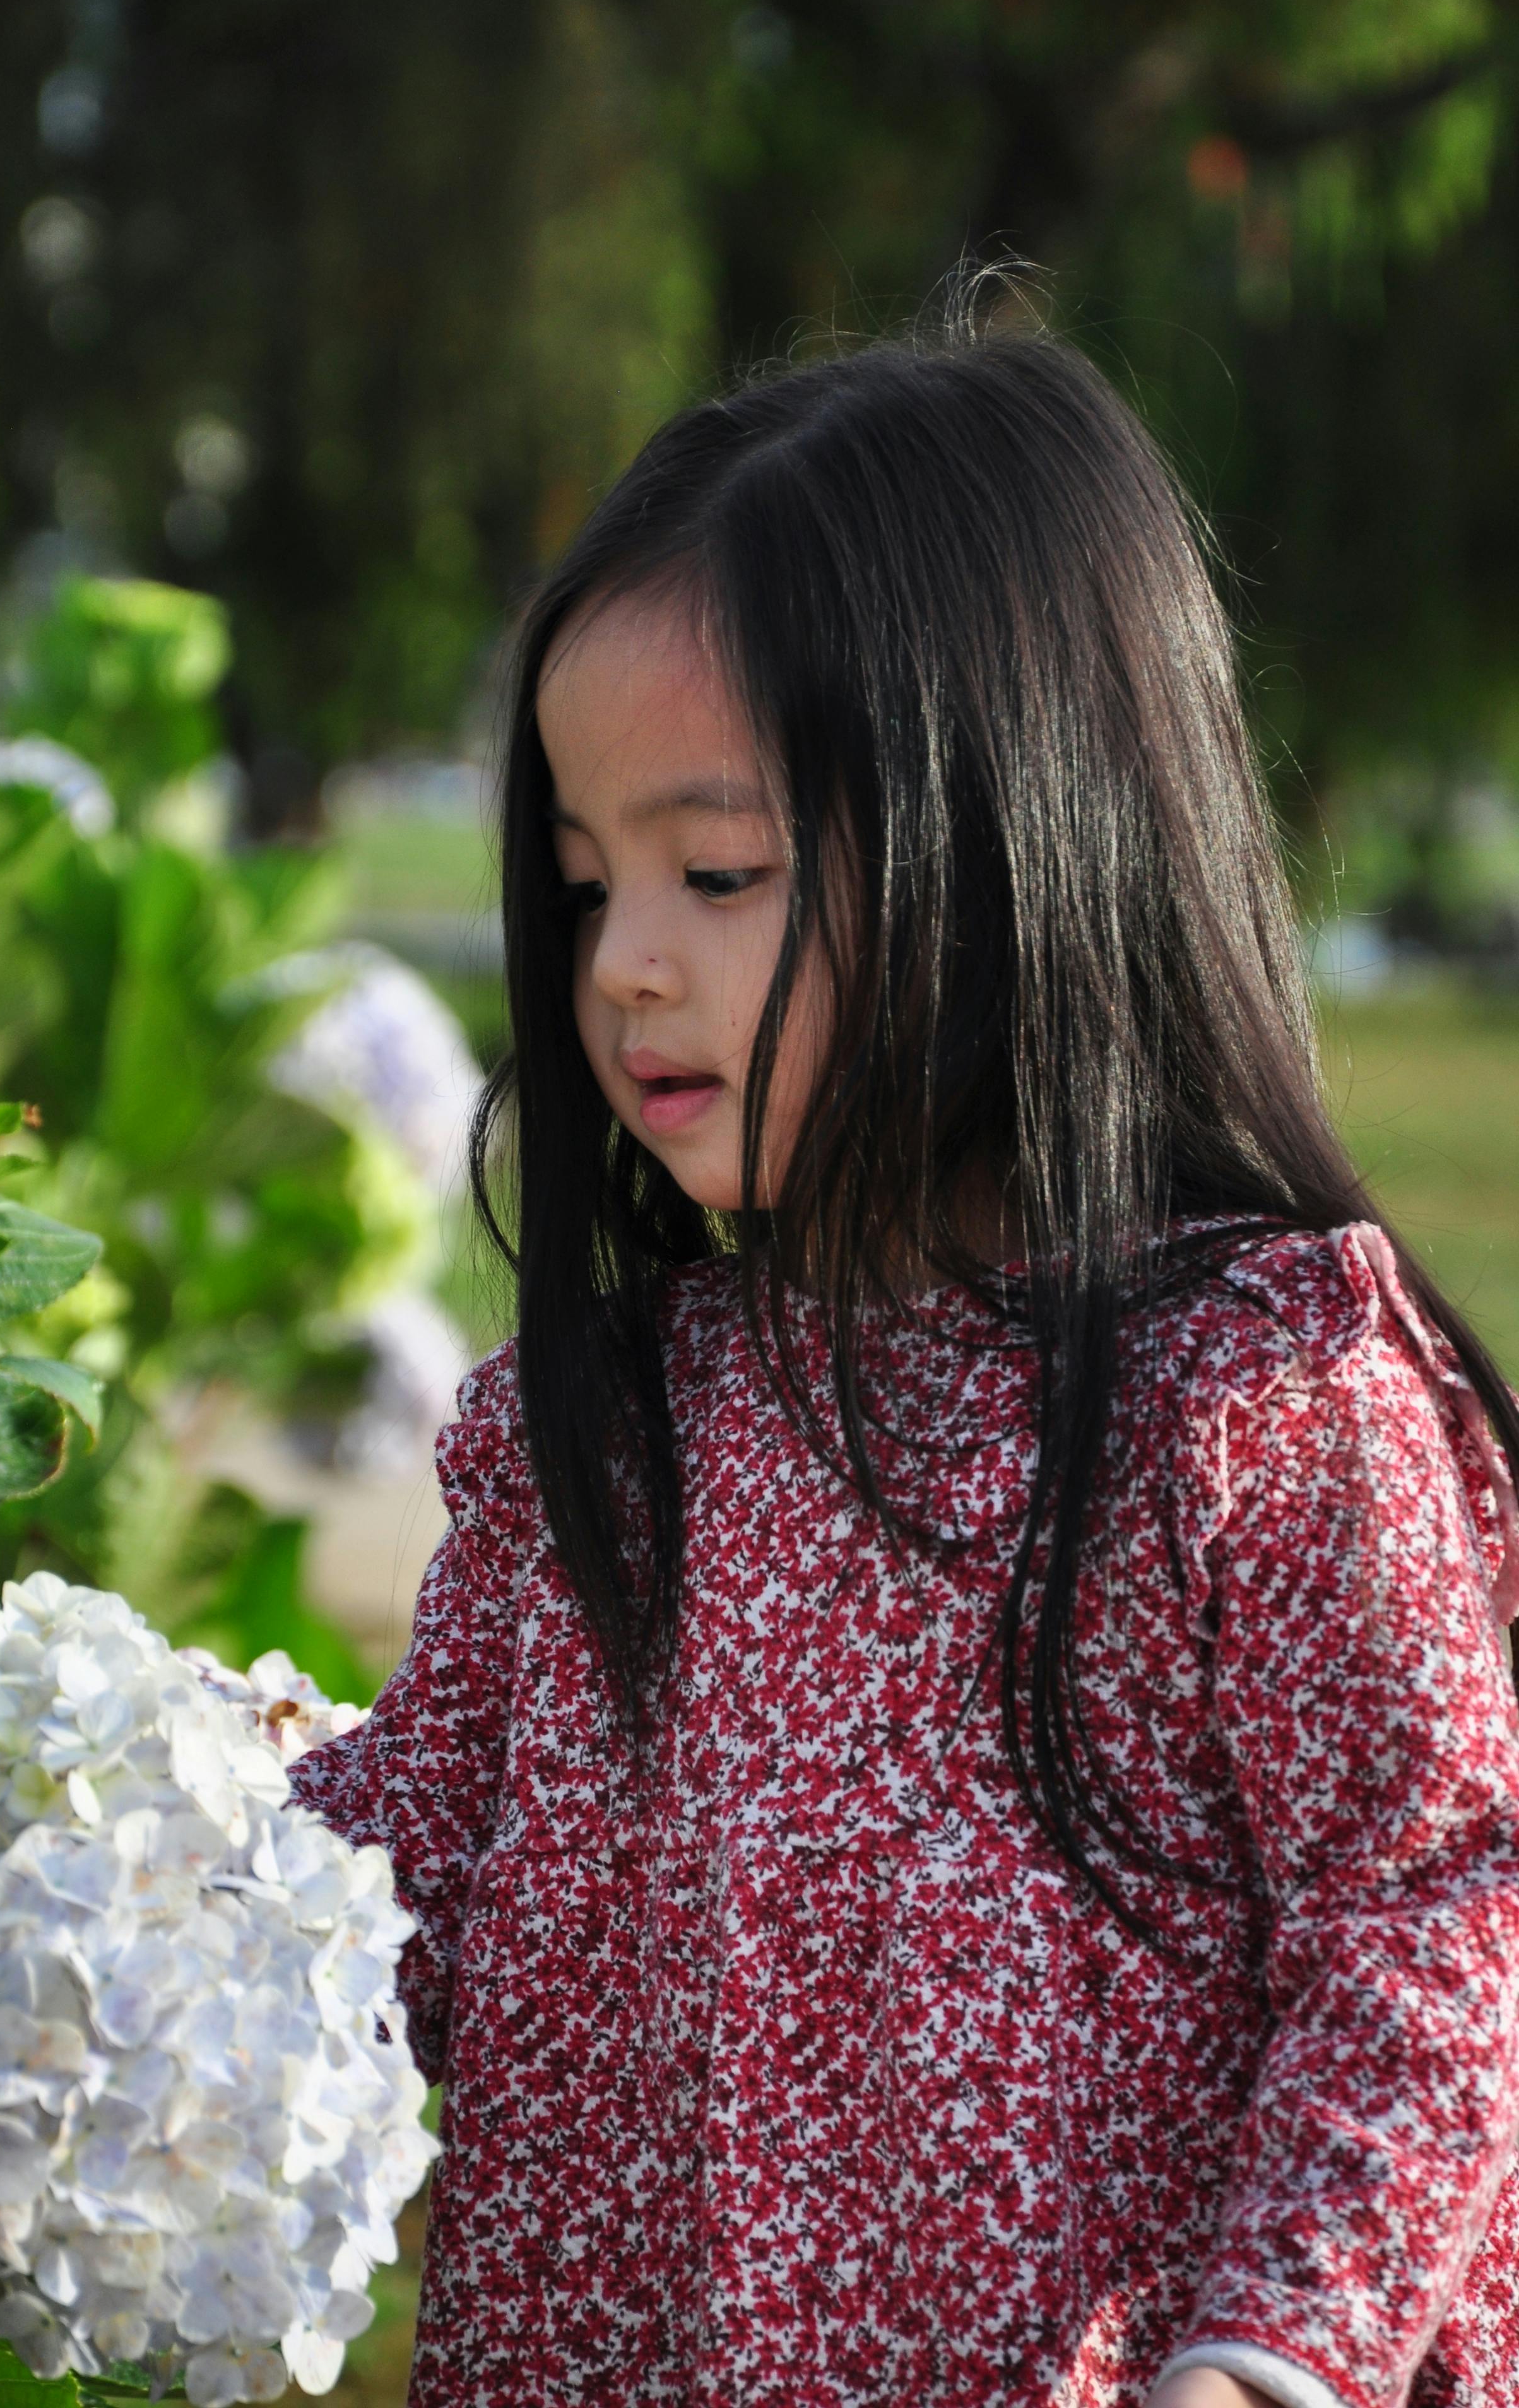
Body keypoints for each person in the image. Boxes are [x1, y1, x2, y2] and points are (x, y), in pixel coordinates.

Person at [290, 315, 1519, 2408]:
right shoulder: (606, 1423)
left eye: (720, 871)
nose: (623, 966)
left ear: (1021, 838)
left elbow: (1433, 1914)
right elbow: (391, 1880)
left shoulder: (1257, 1394)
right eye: (586, 886)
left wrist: (1266, 2360)